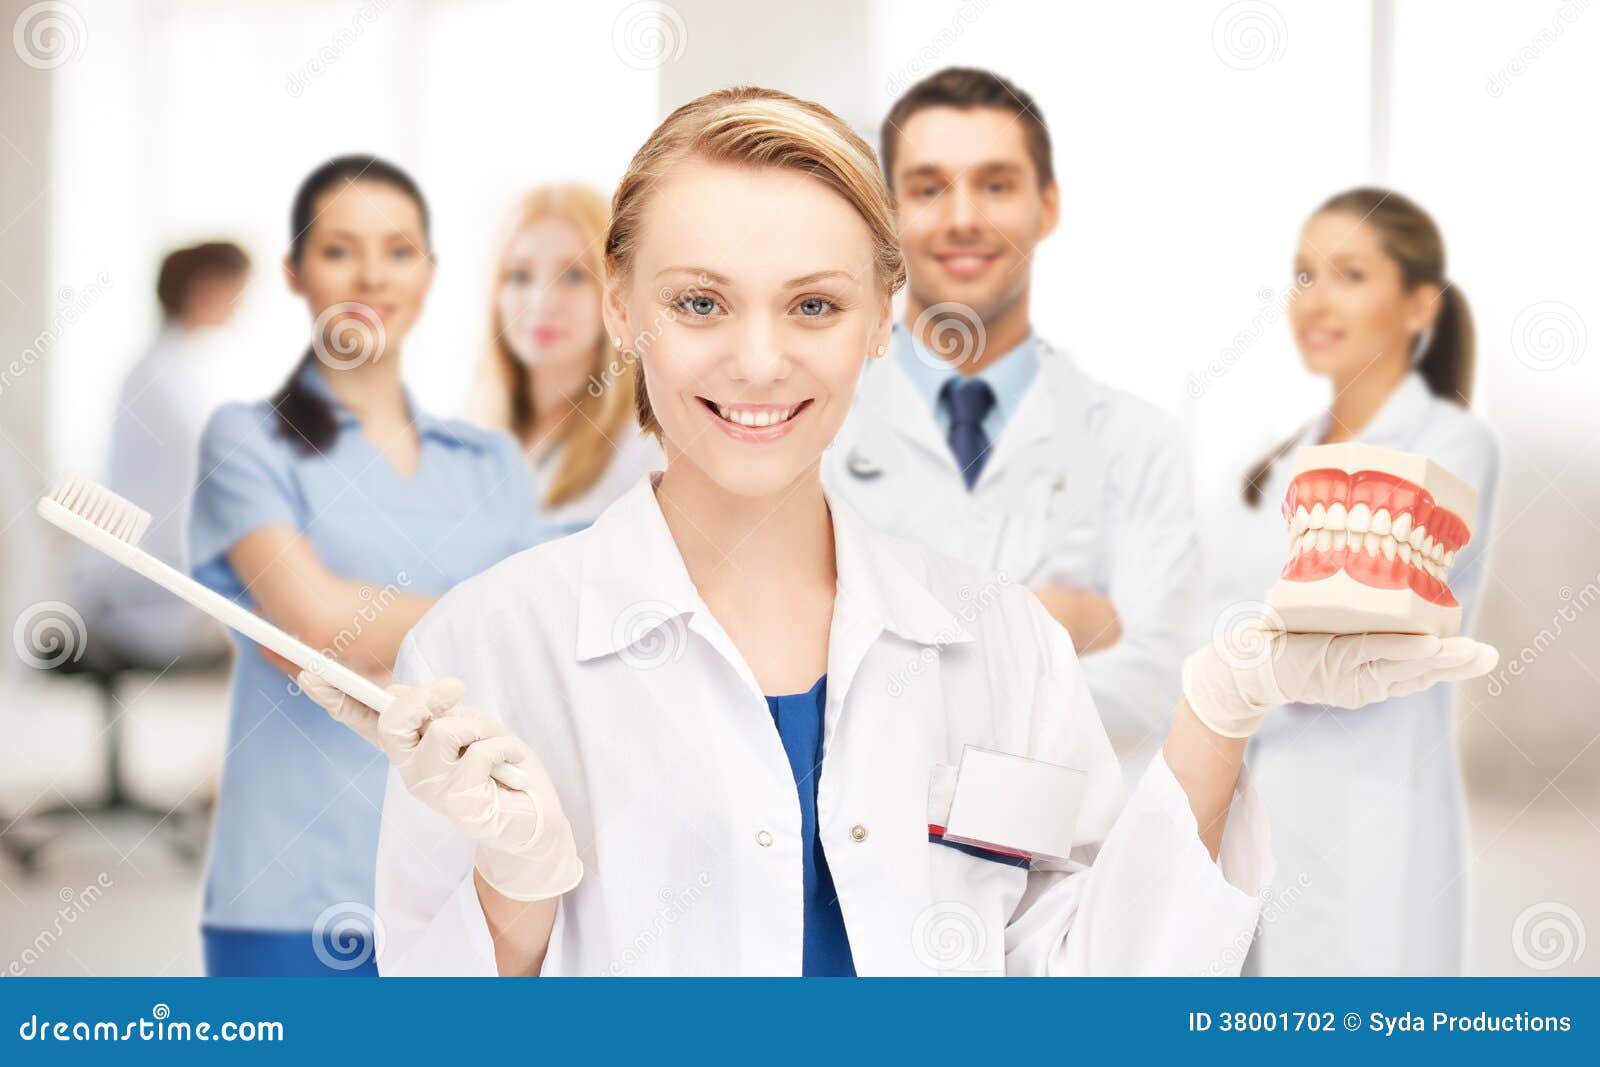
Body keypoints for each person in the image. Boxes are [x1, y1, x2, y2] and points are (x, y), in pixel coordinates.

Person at [297, 88, 1496, 977]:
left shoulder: (999, 647)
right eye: (699, 300)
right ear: (620, 306)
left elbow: (1092, 987)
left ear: (882, 316)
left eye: (814, 304)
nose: (759, 359)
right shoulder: (494, 644)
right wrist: (515, 896)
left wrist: (1215, 713)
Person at [187, 155, 540, 976]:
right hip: (295, 880)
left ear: (431, 273)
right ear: (294, 272)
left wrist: (384, 624)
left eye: (399, 249)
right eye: (340, 249)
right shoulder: (246, 439)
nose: (373, 273)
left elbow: (535, 654)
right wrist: (490, 615)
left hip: (470, 880)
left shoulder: (492, 462)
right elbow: (313, 625)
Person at [823, 67, 1197, 750]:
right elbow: (795, 674)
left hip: (1066, 853)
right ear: (886, 213)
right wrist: (1044, 623)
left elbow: (1158, 691)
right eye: (929, 187)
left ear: (1046, 207)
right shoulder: (813, 426)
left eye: (995, 185)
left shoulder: (1136, 440)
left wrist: (907, 659)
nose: (963, 217)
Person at [1200, 188, 1499, 976]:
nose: (1315, 300)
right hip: (1257, 810)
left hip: (1378, 812)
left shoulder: (1453, 443)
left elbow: (1372, 602)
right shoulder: (1267, 467)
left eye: (1349, 274)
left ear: (1418, 305)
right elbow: (1205, 626)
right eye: (1303, 275)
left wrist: (1249, 657)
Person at [77, 241, 250, 665]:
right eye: (236, 289)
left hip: (166, 572)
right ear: (205, 287)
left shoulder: (174, 370)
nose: (241, 304)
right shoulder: (156, 380)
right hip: (147, 589)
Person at [477, 184, 660, 542]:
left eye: (574, 276)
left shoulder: (644, 448)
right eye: (519, 275)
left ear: (617, 296)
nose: (542, 302)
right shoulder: (475, 437)